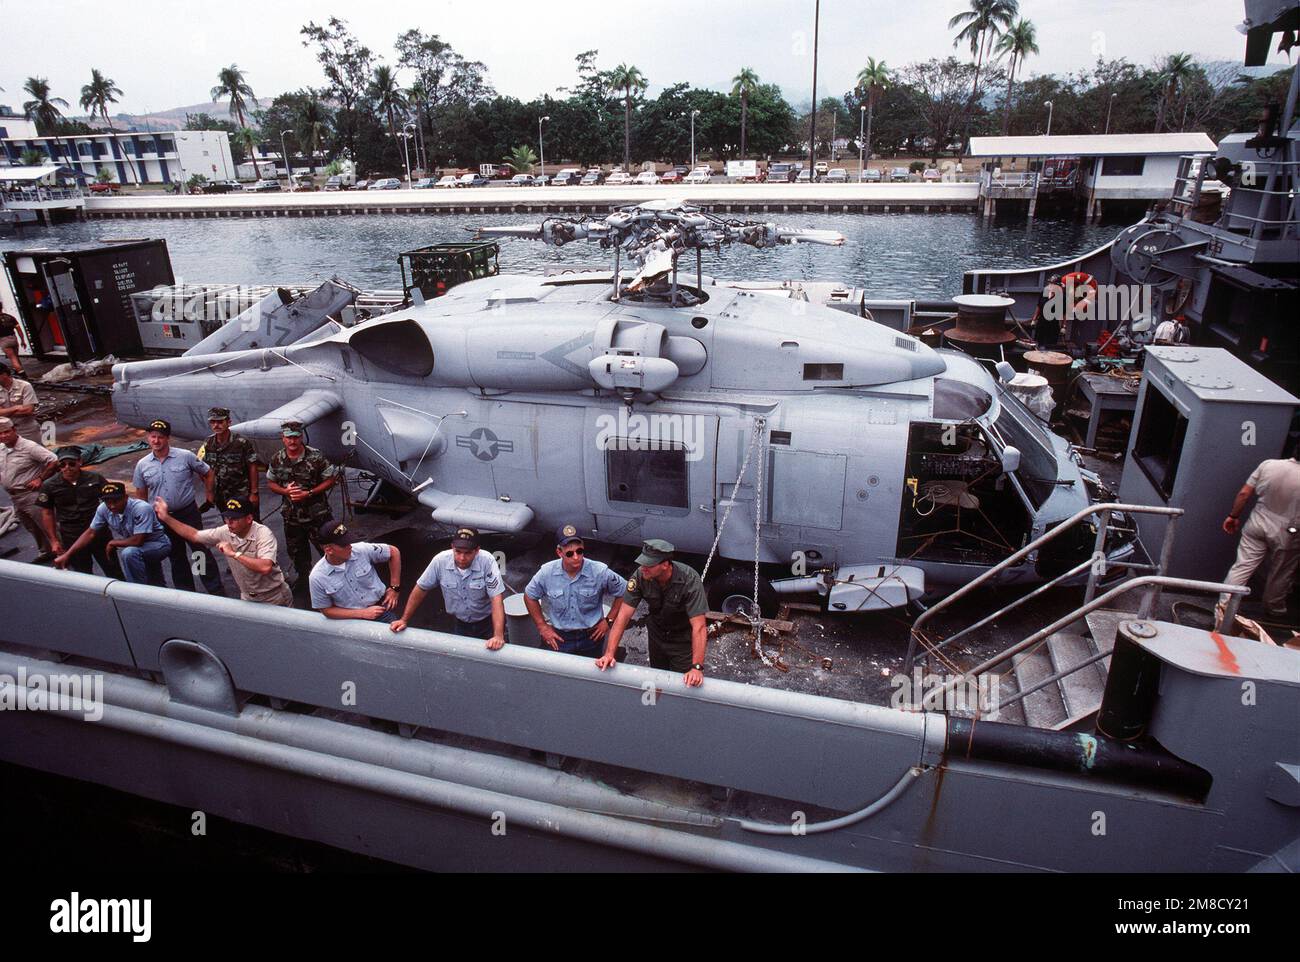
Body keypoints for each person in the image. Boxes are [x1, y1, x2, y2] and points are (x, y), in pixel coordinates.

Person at [595, 539, 710, 687]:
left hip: (682, 641)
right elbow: (623, 616)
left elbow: (699, 627)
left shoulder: (690, 580)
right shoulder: (640, 576)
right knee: (658, 678)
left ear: (665, 565)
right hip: (657, 636)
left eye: (649, 564)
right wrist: (609, 653)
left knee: (683, 684)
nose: (643, 568)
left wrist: (697, 667)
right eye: (643, 563)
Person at [131, 418, 225, 596]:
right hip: (163, 518)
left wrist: (209, 495)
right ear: (148, 438)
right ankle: (187, 593)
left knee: (199, 551)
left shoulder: (185, 456)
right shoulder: (142, 465)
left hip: (188, 514)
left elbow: (208, 472)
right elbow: (141, 494)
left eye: (160, 437)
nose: (156, 441)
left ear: (168, 438)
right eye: (152, 437)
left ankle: (214, 590)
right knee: (176, 556)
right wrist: (146, 519)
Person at [156, 496, 292, 606]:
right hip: (247, 599)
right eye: (227, 517)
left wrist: (234, 554)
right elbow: (194, 535)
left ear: (249, 518)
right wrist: (166, 518)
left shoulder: (263, 534)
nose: (229, 522)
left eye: (234, 519)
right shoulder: (225, 531)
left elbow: (265, 567)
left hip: (274, 598)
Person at [390, 526, 506, 648]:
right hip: (460, 623)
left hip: (487, 622)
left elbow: (496, 598)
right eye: (458, 552)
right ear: (452, 547)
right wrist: (404, 620)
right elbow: (421, 588)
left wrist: (498, 635)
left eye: (467, 553)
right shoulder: (440, 561)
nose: (462, 558)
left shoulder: (487, 561)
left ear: (477, 550)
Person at [523, 523, 626, 658]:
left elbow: (625, 590)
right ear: (559, 552)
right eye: (570, 553)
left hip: (592, 636)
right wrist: (542, 626)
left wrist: (609, 621)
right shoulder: (546, 572)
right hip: (560, 639)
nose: (576, 557)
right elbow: (529, 596)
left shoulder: (599, 571)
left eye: (579, 551)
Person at [1221, 449, 1300, 618]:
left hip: (1257, 523)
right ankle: (1274, 609)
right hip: (1289, 531)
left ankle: (1224, 607)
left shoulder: (1269, 465)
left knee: (1242, 567)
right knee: (1281, 572)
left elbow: (1244, 494)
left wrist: (1233, 516)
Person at [55, 481, 171, 586]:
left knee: (129, 553)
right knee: (156, 581)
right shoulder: (103, 509)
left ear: (125, 497)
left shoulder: (141, 508)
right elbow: (90, 533)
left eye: (116, 501)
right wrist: (67, 554)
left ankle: (136, 591)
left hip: (158, 544)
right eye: (108, 501)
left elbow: (138, 540)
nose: (112, 506)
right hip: (140, 547)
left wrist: (113, 543)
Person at [266, 420, 336, 588]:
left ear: (301, 436)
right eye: (289, 437)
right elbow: (271, 482)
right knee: (297, 551)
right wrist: (286, 492)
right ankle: (305, 579)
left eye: (296, 437)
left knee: (328, 548)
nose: (293, 441)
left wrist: (309, 493)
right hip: (292, 516)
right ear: (283, 438)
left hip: (318, 514)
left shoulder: (316, 456)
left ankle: (335, 579)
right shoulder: (277, 459)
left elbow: (331, 479)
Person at [37, 445, 122, 578]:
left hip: (98, 532)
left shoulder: (95, 478)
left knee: (113, 570)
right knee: (83, 574)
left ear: (80, 462)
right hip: (72, 535)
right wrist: (54, 541)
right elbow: (47, 513)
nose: (67, 468)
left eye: (71, 463)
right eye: (62, 464)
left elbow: (112, 501)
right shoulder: (49, 485)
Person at [308, 518, 402, 622]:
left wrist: (395, 588)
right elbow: (326, 610)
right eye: (344, 544)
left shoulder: (361, 550)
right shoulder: (317, 577)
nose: (350, 547)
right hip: (349, 619)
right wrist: (362, 614)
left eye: (349, 541)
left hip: (381, 608)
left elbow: (393, 552)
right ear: (329, 550)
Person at [0, 416, 59, 560]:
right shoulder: (2, 448)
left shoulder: (29, 447)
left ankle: (62, 554)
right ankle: (46, 552)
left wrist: (40, 478)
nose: (3, 436)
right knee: (31, 526)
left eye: (6, 432)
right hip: (15, 497)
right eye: (0, 434)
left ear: (14, 430)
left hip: (31, 495)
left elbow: (53, 460)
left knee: (48, 527)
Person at [199, 406, 261, 521]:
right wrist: (210, 493)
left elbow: (252, 466)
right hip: (221, 496)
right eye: (213, 422)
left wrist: (254, 493)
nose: (216, 425)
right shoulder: (208, 443)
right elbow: (207, 470)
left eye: (220, 422)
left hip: (241, 494)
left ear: (228, 422)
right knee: (230, 526)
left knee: (252, 525)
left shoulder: (241, 442)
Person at [0, 361, 40, 442]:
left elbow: (28, 410)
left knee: (36, 451)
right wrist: (16, 408)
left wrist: (5, 411)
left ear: (4, 374)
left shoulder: (24, 386)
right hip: (5, 430)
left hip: (27, 428)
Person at [0, 311, 26, 377]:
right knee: (16, 358)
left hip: (4, 340)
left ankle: (23, 375)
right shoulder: (10, 317)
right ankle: (18, 371)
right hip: (14, 339)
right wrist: (22, 340)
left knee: (13, 359)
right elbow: (19, 330)